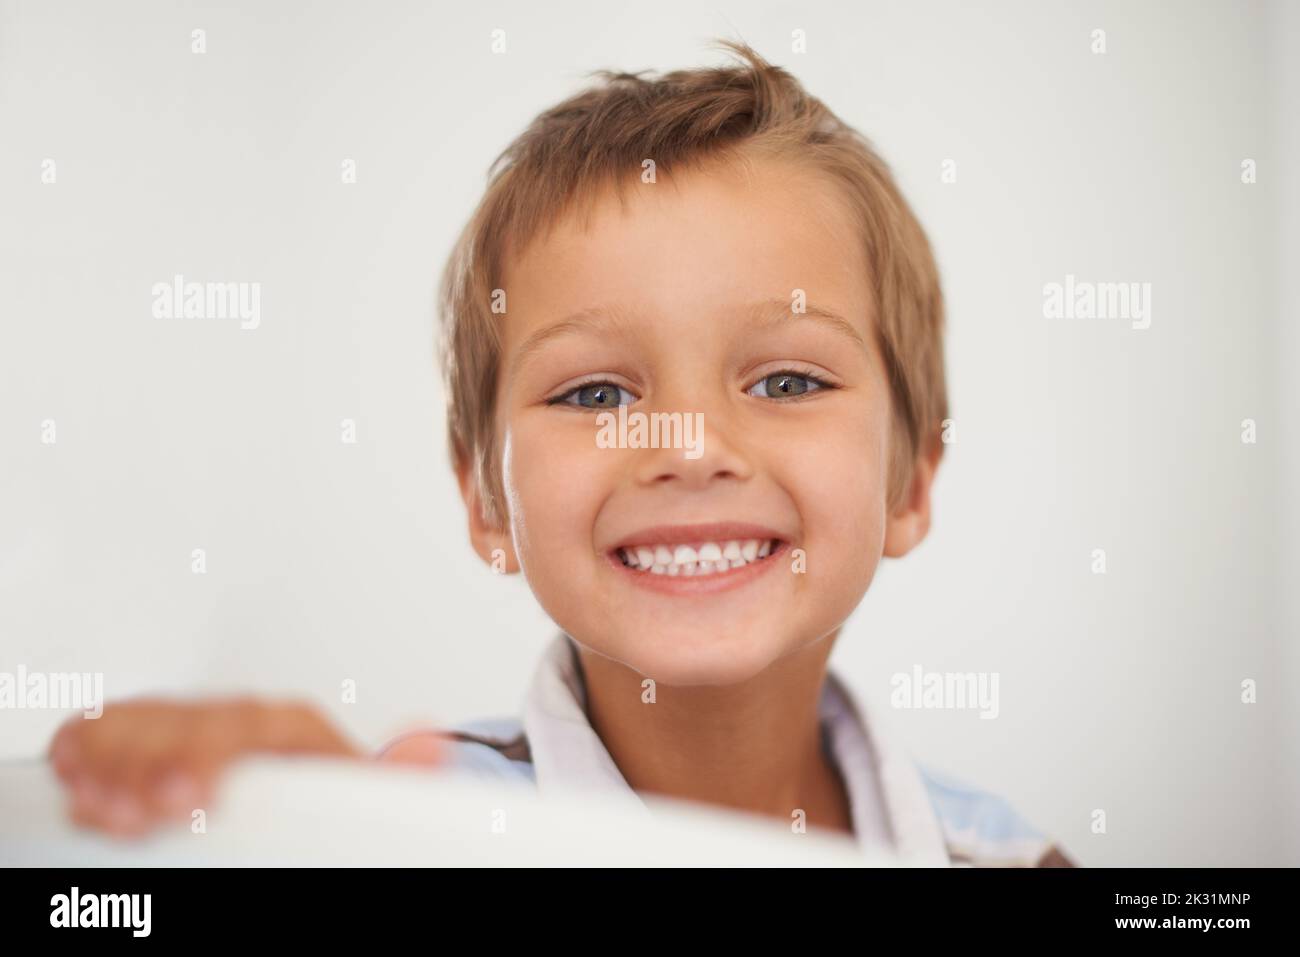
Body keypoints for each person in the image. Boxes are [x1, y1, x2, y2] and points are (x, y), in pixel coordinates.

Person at [49, 40, 1075, 867]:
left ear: (914, 480)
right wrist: (273, 830)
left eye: (787, 382)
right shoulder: (414, 829)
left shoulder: (1008, 857)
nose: (689, 446)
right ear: (488, 501)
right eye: (593, 392)